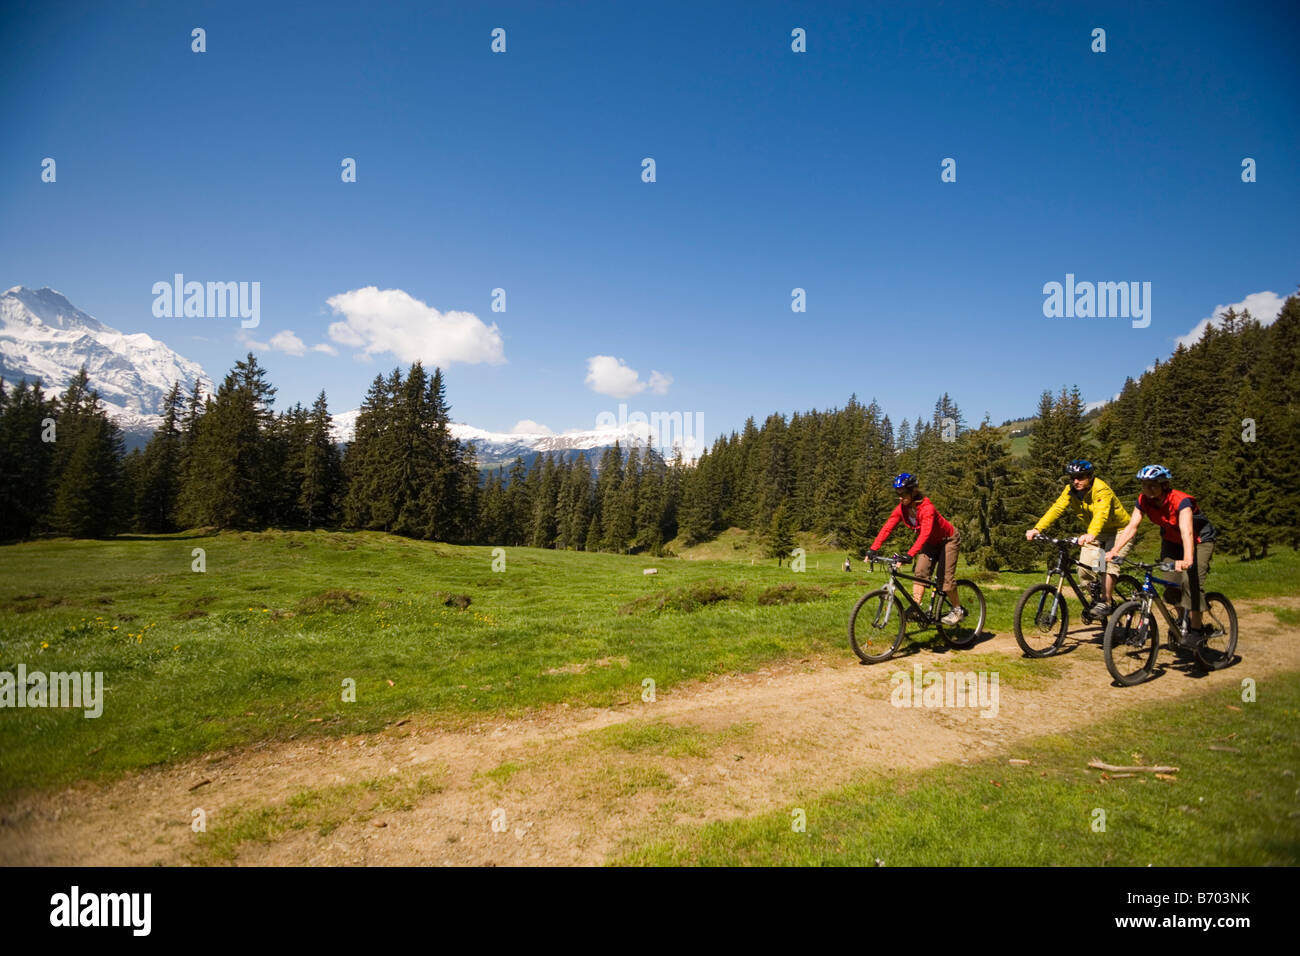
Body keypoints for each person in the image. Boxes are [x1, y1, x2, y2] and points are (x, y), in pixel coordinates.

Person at [1106, 464, 1217, 638]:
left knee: (1190, 581)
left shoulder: (1181, 501)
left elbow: (1186, 531)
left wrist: (1188, 559)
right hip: (1171, 541)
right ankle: (1182, 621)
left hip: (1199, 541)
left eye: (1153, 484)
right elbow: (1132, 526)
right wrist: (1115, 550)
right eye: (1144, 484)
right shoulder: (1143, 500)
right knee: (1170, 582)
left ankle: (1196, 630)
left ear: (1164, 485)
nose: (1147, 489)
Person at [1025, 459, 1132, 619]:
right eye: (1073, 477)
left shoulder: (1101, 489)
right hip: (1097, 533)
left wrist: (1091, 533)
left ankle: (1106, 601)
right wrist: (1037, 528)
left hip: (1119, 531)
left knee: (1108, 564)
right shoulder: (1070, 490)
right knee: (1084, 569)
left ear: (1090, 476)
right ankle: (1096, 600)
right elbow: (1057, 508)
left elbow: (1101, 514)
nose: (1076, 481)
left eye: (1080, 477)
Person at [865, 473, 965, 625]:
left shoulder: (927, 509)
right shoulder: (902, 509)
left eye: (903, 492)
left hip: (948, 540)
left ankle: (958, 610)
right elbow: (888, 527)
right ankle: (916, 608)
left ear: (913, 491)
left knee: (945, 579)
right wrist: (873, 549)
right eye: (897, 493)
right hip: (931, 543)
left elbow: (925, 533)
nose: (900, 496)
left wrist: (910, 554)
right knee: (920, 573)